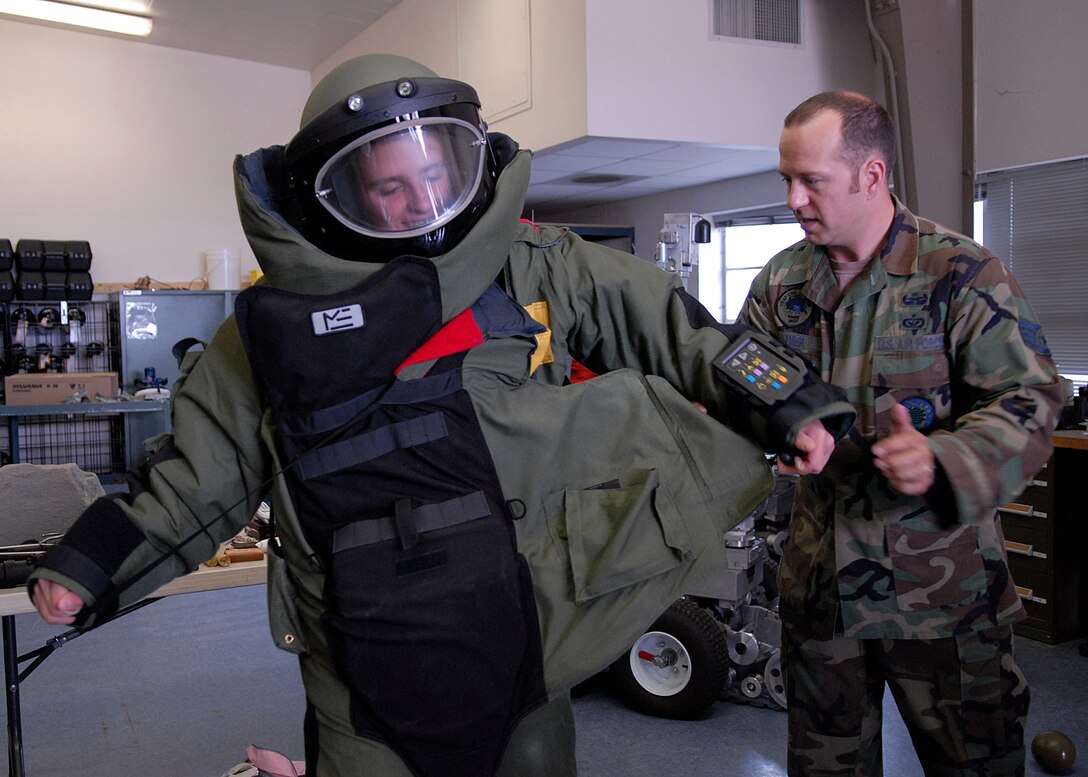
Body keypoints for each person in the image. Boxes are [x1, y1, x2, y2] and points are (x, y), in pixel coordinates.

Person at [28, 55, 855, 777]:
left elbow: (682, 330)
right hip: (361, 670)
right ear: (331, 197)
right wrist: (86, 568)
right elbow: (190, 483)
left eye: (439, 173)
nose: (421, 202)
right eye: (388, 186)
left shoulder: (534, 265)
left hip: (527, 638)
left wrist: (791, 400)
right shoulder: (271, 336)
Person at [738, 90, 1063, 777]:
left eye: (811, 181)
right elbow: (751, 381)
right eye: (786, 180)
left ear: (872, 175)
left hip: (941, 601)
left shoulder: (960, 273)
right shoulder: (781, 283)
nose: (793, 199)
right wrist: (783, 424)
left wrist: (946, 456)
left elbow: (1031, 398)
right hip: (822, 594)